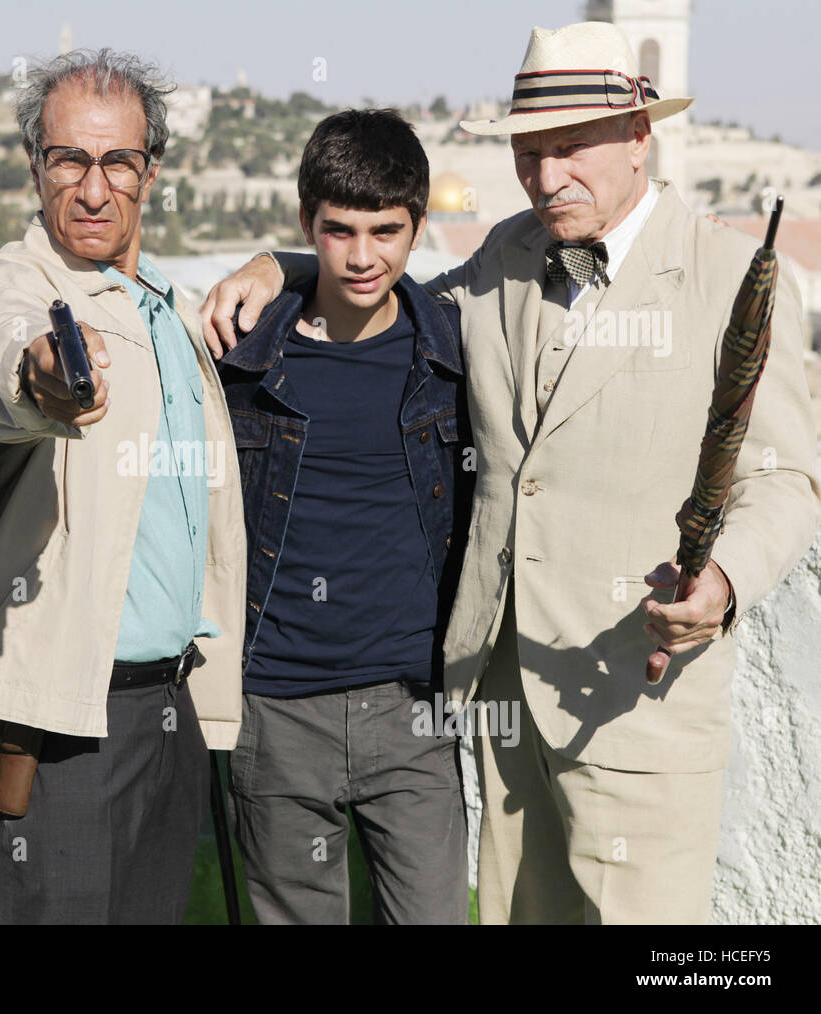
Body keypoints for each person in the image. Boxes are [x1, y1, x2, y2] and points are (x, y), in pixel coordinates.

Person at [198, 22, 820, 923]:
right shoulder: (505, 257)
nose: (545, 177)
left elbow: (785, 478)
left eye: (570, 149)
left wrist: (723, 584)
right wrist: (281, 264)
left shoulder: (733, 276)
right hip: (501, 712)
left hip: (639, 706)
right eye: (529, 154)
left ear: (640, 136)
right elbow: (380, 281)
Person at [0, 49, 245, 925]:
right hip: (56, 726)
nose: (94, 189)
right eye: (69, 159)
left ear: (153, 172)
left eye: (118, 162)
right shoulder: (11, 287)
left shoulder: (170, 312)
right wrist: (42, 377)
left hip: (169, 709)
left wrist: (275, 261)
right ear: (35, 166)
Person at [215, 108, 470, 924]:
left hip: (415, 711)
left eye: (386, 231)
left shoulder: (453, 352)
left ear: (418, 227)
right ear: (306, 223)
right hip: (276, 710)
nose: (363, 257)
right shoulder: (240, 356)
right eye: (339, 231)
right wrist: (270, 268)